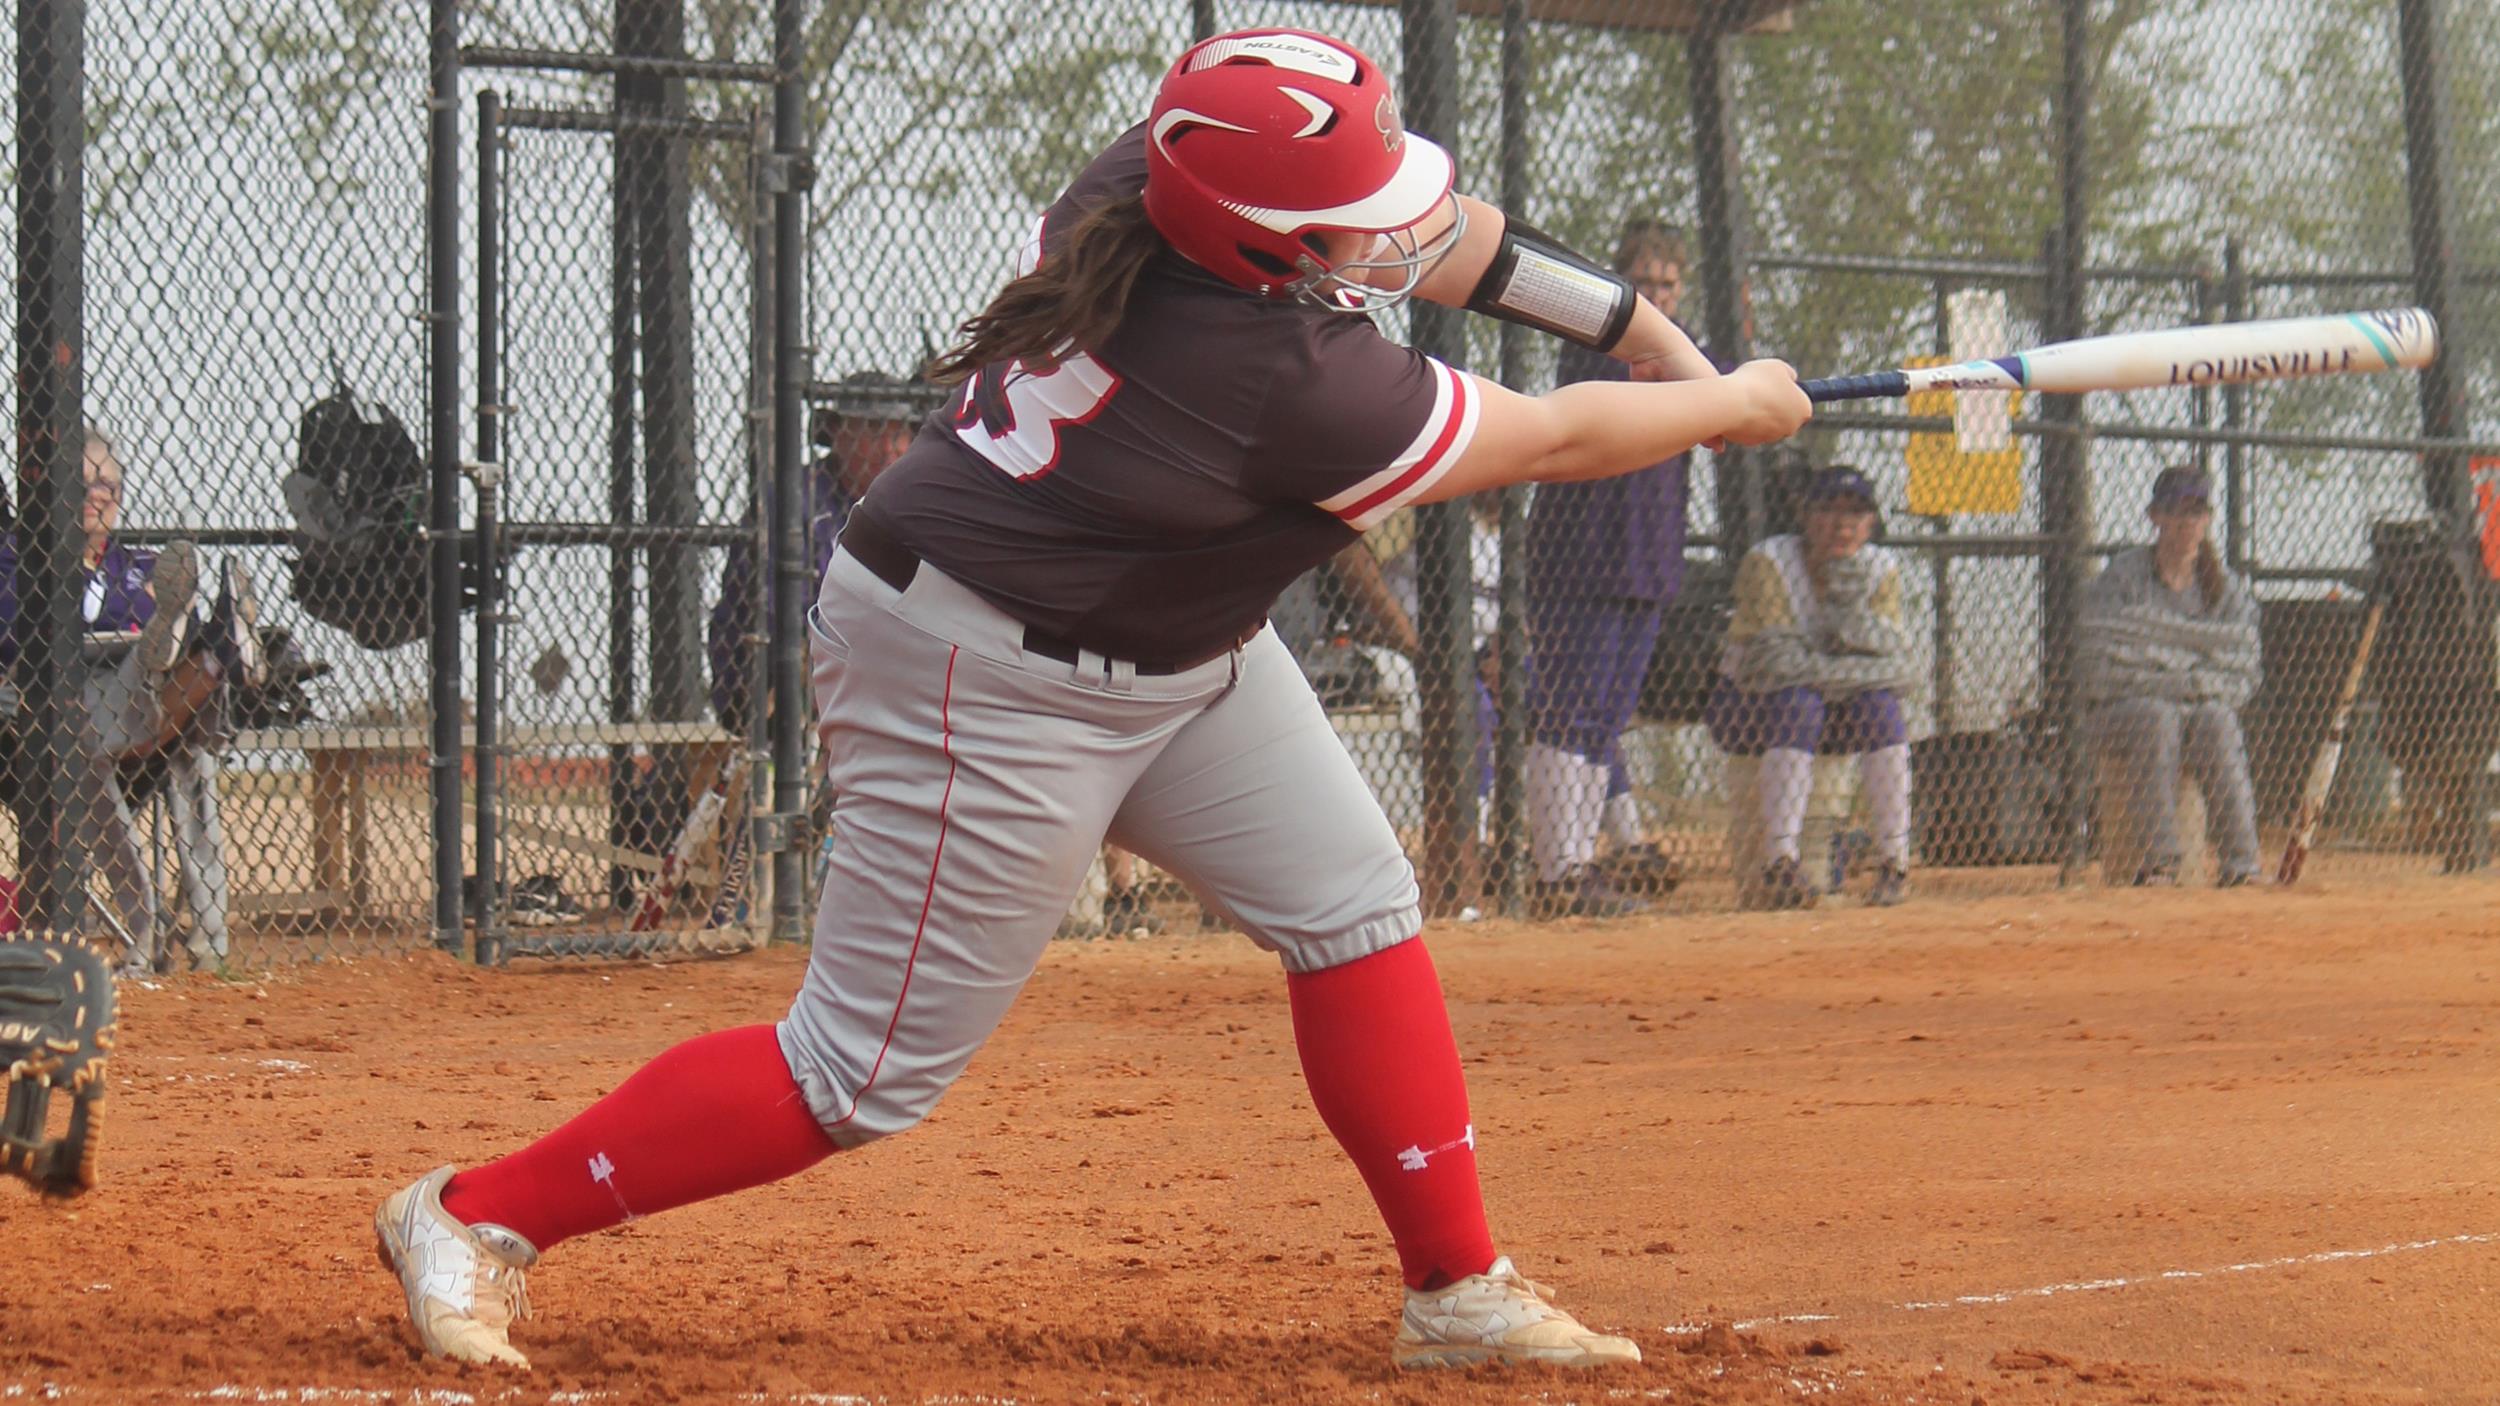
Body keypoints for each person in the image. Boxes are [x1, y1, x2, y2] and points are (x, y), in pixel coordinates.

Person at [374, 27, 1810, 1373]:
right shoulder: (1280, 378)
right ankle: (475, 1214)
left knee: (1353, 903)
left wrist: (1644, 329)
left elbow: (1454, 238)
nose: (1390, 229)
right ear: (1266, 243)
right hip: (982, 672)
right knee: (855, 1073)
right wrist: (1733, 404)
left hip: (1173, 637)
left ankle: (1455, 1286)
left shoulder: (1154, 183)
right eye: (1348, 217)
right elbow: (1553, 437)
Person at [0, 428, 264, 970]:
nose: (100, 494)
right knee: (101, 705)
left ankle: (215, 652)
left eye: (110, 485)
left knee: (171, 712)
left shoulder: (146, 566)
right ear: (46, 488)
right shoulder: (14, 561)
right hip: (44, 734)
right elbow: (20, 634)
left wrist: (133, 624)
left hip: (139, 734)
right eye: (84, 483)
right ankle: (216, 654)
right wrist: (137, 621)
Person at [1522, 220, 1719, 917]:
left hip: (1648, 556)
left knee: (1607, 717)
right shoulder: (1595, 339)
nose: (1658, 296)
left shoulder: (1688, 349)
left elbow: (1719, 413)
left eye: (1669, 284)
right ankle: (1557, 873)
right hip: (1580, 554)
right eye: (1644, 282)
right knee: (1570, 709)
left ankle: (1576, 866)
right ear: (1619, 282)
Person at [1706, 466, 1913, 909]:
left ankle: (1894, 862)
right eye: (1828, 510)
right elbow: (1772, 667)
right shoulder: (1770, 562)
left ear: (1871, 523)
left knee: (1881, 708)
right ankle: (1780, 861)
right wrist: (1855, 660)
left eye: (1855, 513)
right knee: (1799, 703)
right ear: (1805, 515)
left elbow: (1900, 669)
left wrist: (1845, 600)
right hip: (1746, 707)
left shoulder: (1880, 567)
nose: (1842, 525)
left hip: (1830, 706)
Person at [2079, 465, 2262, 886]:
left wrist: (2158, 663)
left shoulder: (2224, 589)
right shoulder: (2124, 577)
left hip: (2195, 710)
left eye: (2196, 512)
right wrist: (2192, 671)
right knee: (2157, 717)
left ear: (2208, 519)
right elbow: (2099, 662)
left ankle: (2242, 865)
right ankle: (2158, 864)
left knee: (2218, 720)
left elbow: (2244, 670)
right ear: (2155, 516)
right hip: (2117, 714)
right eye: (2176, 511)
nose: (2186, 523)